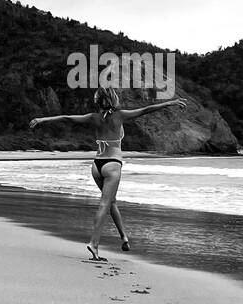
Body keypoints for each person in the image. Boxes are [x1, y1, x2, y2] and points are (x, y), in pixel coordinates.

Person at [29, 87, 187, 260]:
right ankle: (93, 244)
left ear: (98, 101)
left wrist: (42, 119)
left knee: (111, 202)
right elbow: (147, 110)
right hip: (112, 164)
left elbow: (67, 118)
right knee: (105, 204)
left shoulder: (93, 117)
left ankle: (124, 237)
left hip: (97, 166)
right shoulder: (121, 116)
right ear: (114, 99)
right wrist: (170, 103)